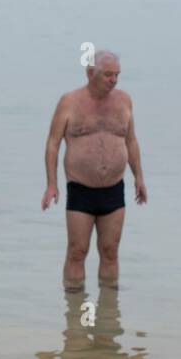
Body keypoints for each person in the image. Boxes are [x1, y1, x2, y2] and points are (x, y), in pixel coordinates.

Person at [41, 49, 147, 290]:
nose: (114, 80)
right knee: (77, 251)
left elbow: (131, 141)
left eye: (117, 75)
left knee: (110, 251)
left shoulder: (124, 100)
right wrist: (52, 184)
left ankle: (109, 314)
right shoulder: (69, 102)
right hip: (80, 188)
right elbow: (53, 144)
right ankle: (74, 311)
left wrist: (139, 178)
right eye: (108, 74)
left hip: (114, 188)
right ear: (90, 73)